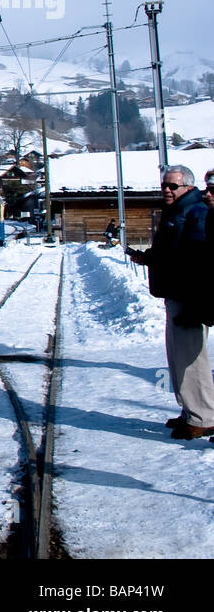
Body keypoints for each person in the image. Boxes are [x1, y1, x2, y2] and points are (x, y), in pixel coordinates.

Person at [126, 166, 211, 439]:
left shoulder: (195, 212)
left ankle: (204, 416)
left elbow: (197, 259)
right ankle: (190, 411)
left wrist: (194, 300)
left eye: (173, 186)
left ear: (187, 187)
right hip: (176, 293)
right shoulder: (178, 211)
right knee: (178, 356)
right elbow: (171, 252)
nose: (167, 190)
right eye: (164, 185)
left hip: (188, 296)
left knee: (191, 358)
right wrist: (148, 258)